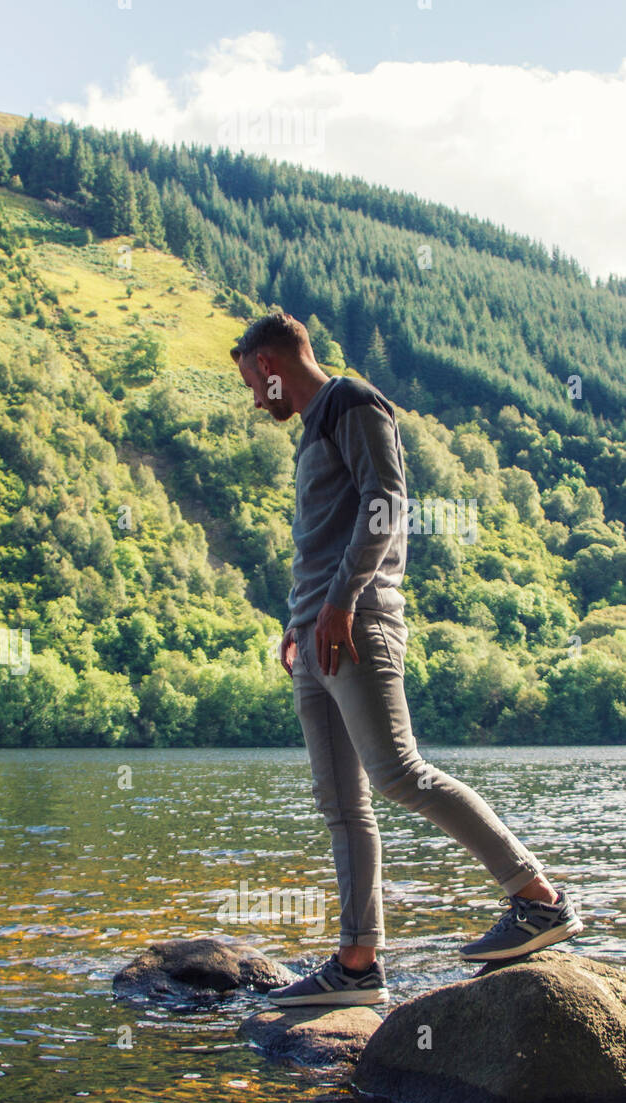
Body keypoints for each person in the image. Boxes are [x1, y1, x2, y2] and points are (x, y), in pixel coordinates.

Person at [229, 312, 582, 1007]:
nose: (252, 398)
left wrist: (338, 603)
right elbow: (326, 535)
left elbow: (387, 503)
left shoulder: (352, 403)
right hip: (316, 635)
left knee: (400, 772)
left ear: (270, 362)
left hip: (356, 625)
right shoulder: (311, 431)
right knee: (341, 804)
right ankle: (358, 965)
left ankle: (539, 899)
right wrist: (299, 622)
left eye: (251, 381)